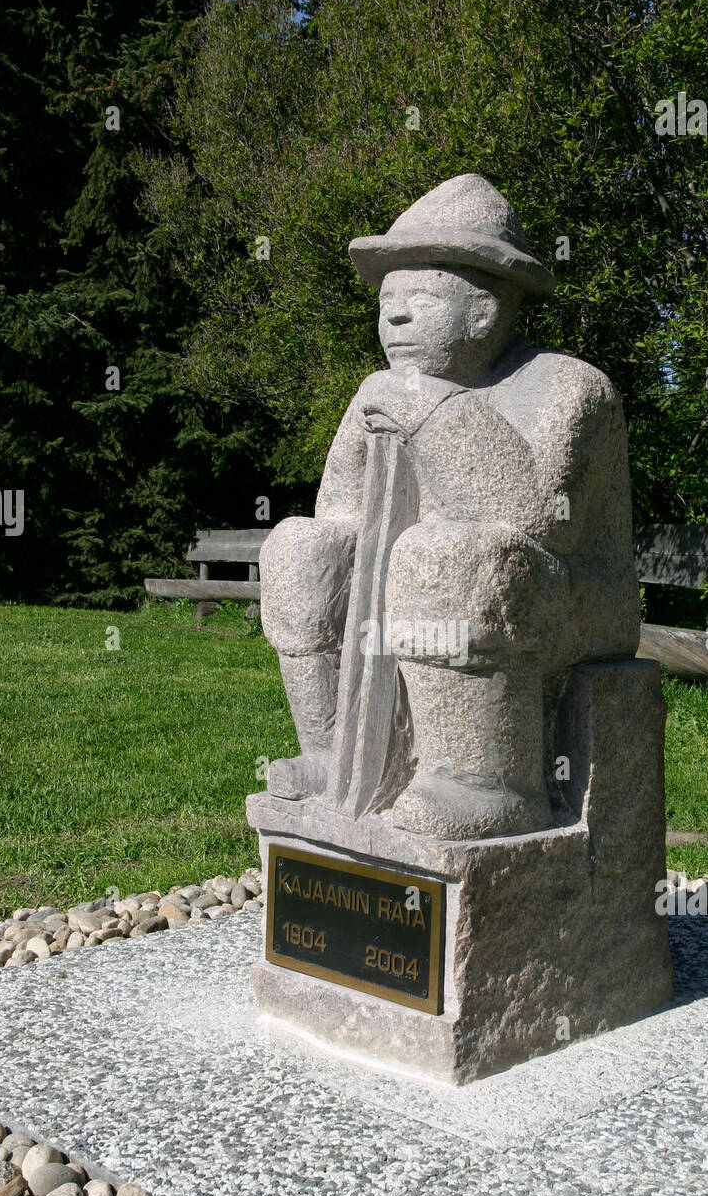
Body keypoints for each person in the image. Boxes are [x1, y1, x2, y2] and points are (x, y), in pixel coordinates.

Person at [260, 175, 639, 839]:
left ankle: (489, 783)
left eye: (421, 299)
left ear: (486, 310)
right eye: (387, 303)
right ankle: (333, 752)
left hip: (572, 599)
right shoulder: (376, 394)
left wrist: (433, 409)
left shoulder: (568, 386)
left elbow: (538, 519)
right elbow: (340, 516)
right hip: (444, 594)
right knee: (299, 550)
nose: (394, 318)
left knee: (449, 554)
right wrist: (319, 565)